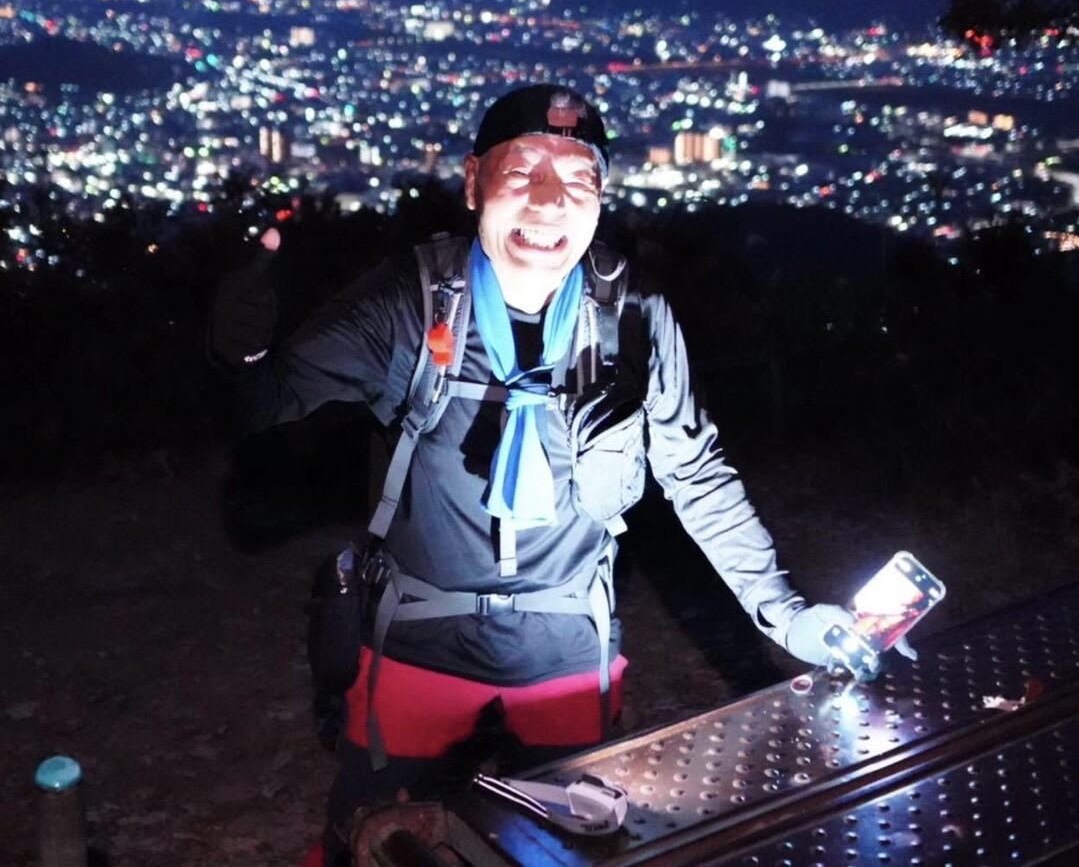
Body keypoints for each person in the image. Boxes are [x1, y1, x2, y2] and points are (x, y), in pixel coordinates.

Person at [210, 84, 859, 866]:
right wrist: (239, 350)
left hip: (566, 642)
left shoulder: (635, 320)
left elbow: (697, 474)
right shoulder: (412, 303)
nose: (550, 203)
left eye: (578, 179)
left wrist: (782, 614)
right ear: (474, 180)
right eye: (524, 173)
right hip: (420, 636)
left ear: (602, 197)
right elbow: (270, 402)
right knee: (372, 841)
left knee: (568, 850)